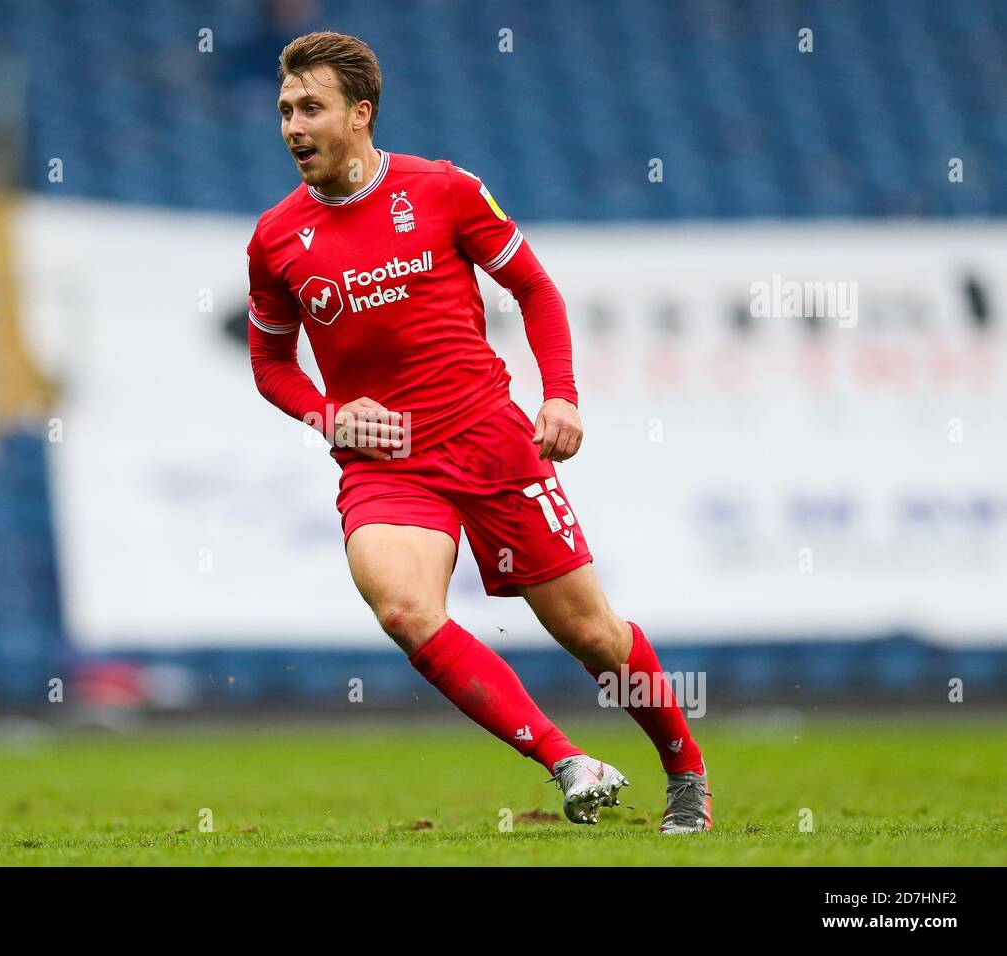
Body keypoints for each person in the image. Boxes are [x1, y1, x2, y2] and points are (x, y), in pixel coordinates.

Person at [246, 32, 711, 831]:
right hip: (385, 462)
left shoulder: (444, 189)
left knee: (594, 636)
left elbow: (535, 290)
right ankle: (567, 762)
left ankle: (686, 776)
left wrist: (559, 396)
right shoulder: (275, 239)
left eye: (310, 108)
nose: (292, 125)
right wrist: (327, 414)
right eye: (285, 109)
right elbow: (272, 365)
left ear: (360, 114)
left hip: (490, 440)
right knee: (403, 610)